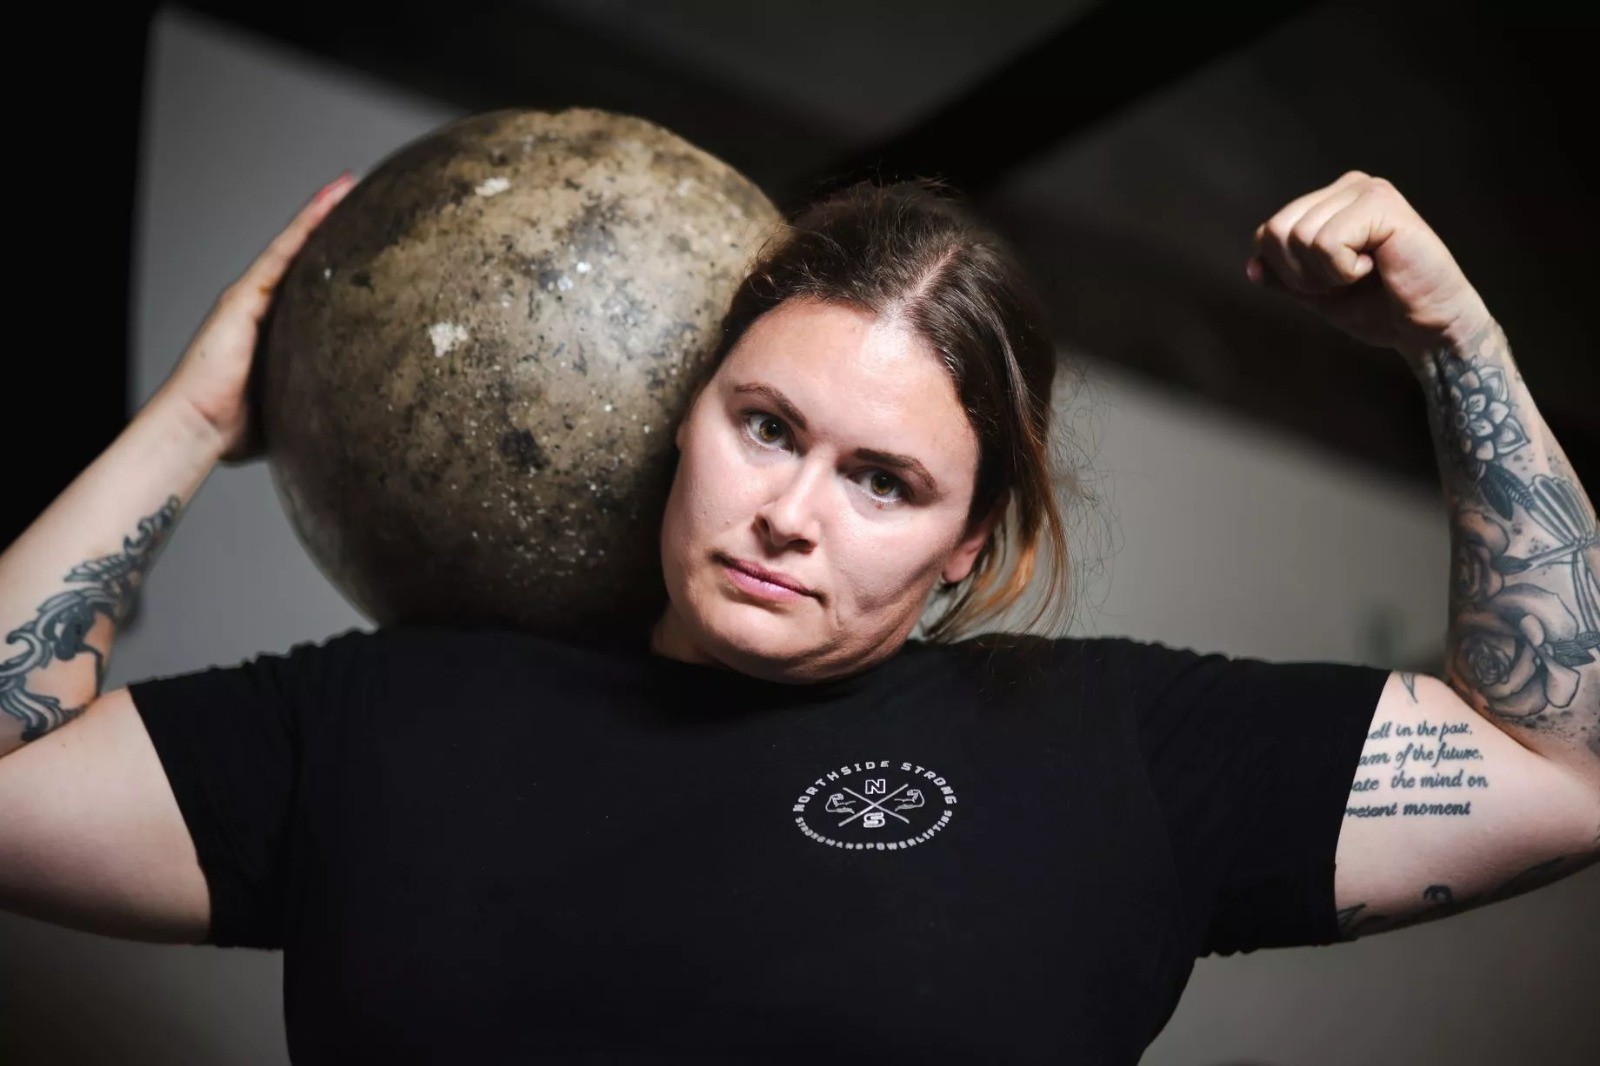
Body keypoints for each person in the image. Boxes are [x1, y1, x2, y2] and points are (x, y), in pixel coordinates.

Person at [0, 168, 1596, 1065]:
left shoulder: (1118, 750)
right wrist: (198, 418)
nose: (791, 509)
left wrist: (1458, 343)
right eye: (766, 426)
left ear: (971, 551)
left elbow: (1560, 763)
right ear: (682, 420)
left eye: (884, 479)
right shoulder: (391, 713)